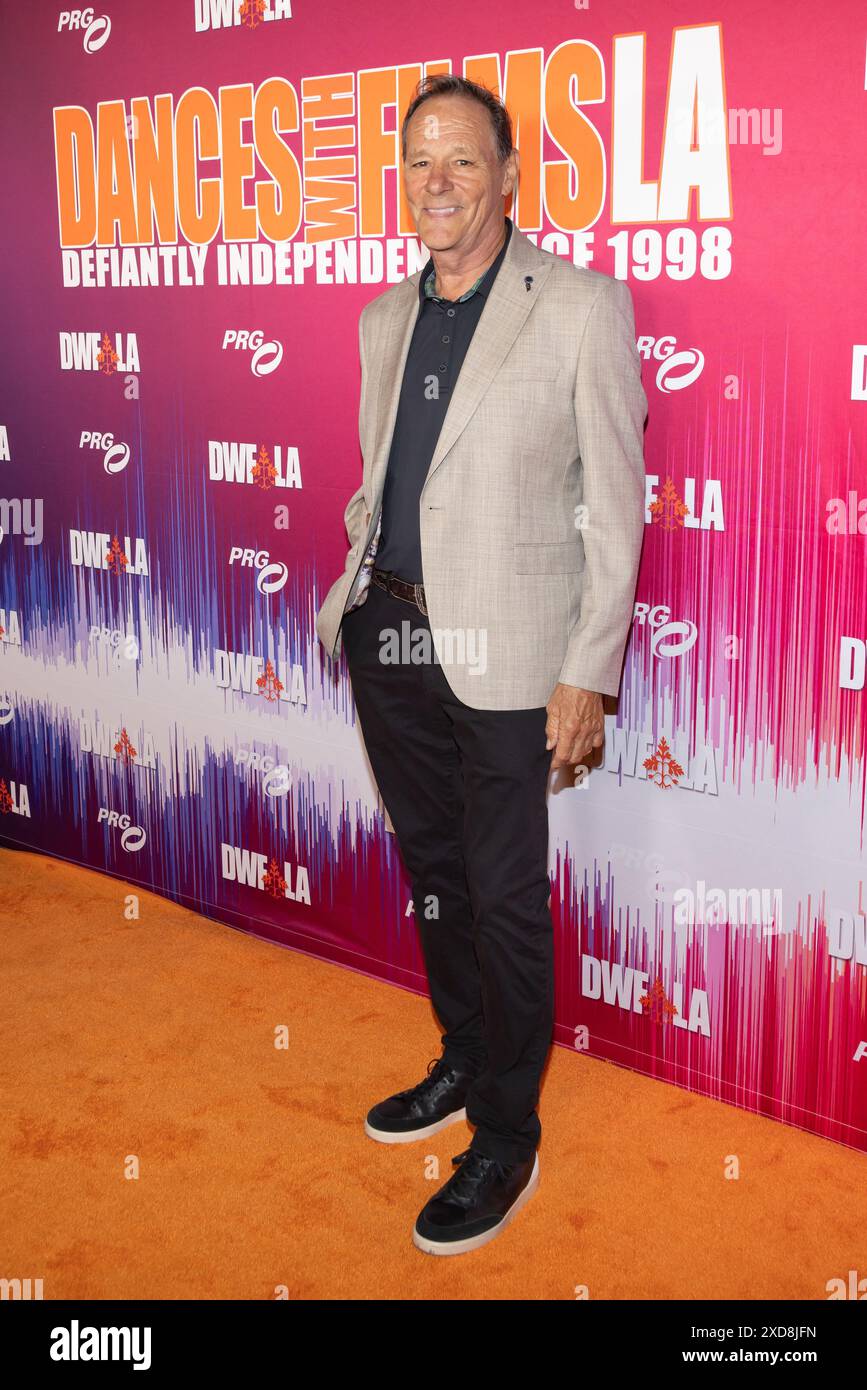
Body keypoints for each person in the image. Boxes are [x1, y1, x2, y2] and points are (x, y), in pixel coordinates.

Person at [316, 72, 648, 1256]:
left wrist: (589, 668)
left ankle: (508, 1129)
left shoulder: (578, 306)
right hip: (389, 635)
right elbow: (387, 477)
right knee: (436, 869)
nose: (438, 183)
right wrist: (354, 596)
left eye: (464, 160)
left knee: (505, 897)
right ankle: (463, 1057)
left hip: (514, 657)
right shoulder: (380, 319)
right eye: (418, 161)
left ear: (511, 177)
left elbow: (615, 507)